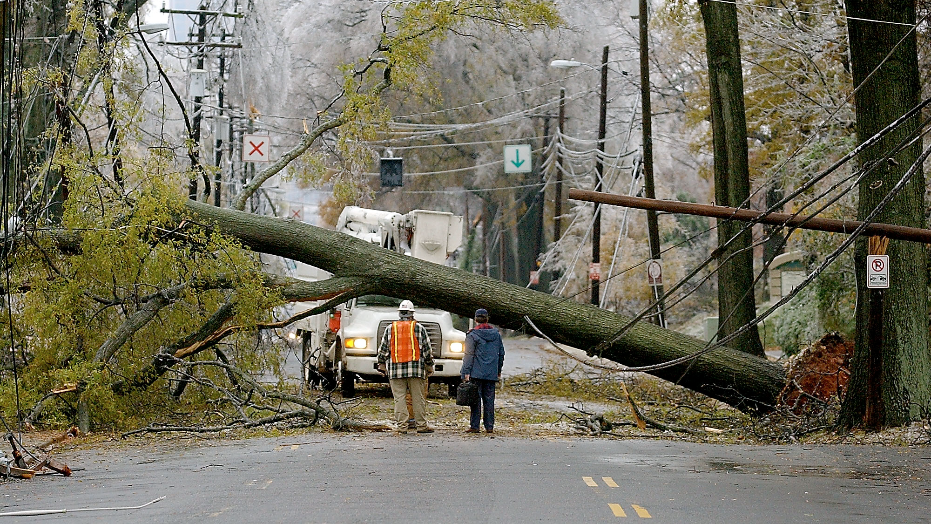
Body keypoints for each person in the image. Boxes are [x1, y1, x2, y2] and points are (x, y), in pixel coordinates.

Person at [377, 300, 435, 434]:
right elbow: (427, 350)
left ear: (399, 313)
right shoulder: (419, 328)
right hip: (416, 369)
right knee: (418, 398)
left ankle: (402, 427)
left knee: (399, 398)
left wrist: (381, 364)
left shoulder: (390, 328)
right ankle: (421, 426)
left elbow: (383, 349)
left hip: (395, 369)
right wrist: (429, 365)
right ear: (412, 313)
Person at [461, 308, 505, 434]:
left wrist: (465, 372)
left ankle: (475, 426)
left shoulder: (472, 335)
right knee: (489, 400)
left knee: (475, 399)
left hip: (476, 373)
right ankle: (489, 426)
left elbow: (469, 355)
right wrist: (498, 370)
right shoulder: (496, 334)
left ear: (475, 320)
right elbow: (501, 353)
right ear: (487, 319)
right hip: (491, 373)